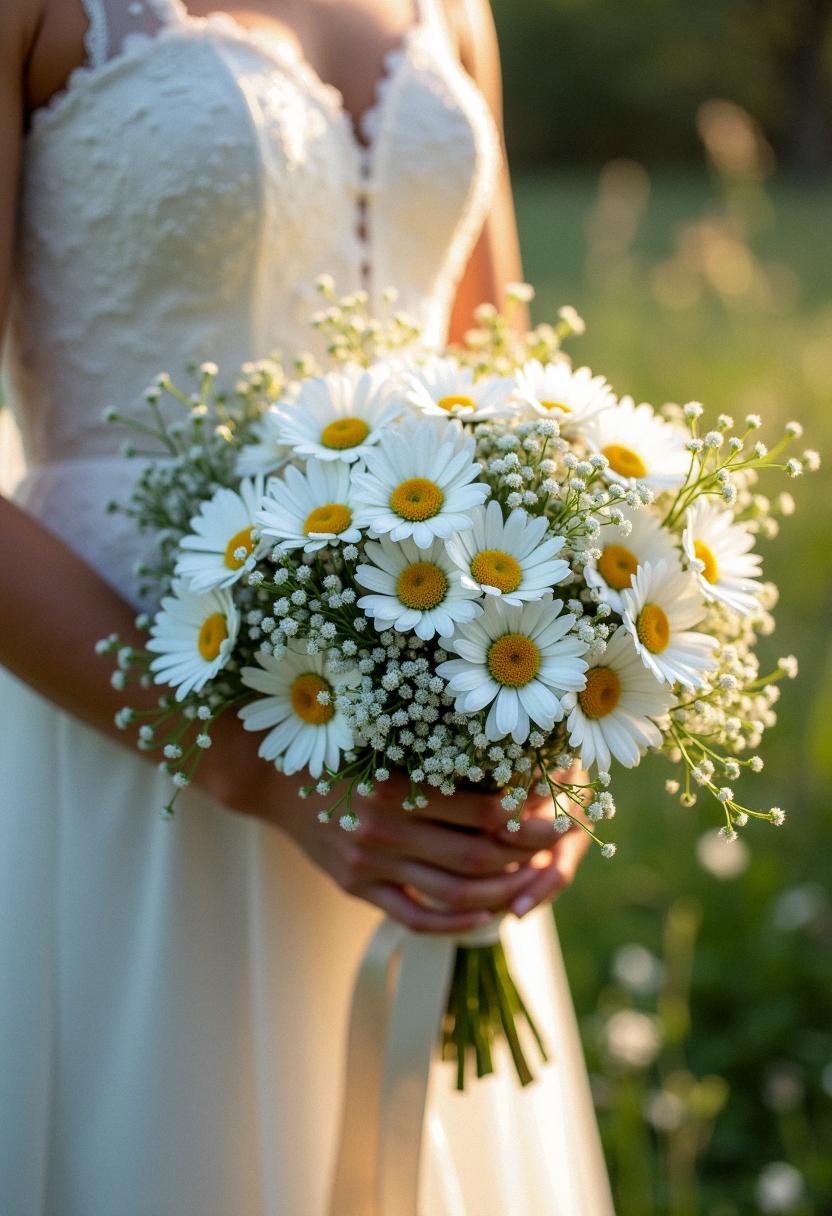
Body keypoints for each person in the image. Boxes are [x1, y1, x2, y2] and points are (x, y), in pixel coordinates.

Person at [0, 0, 614, 1211]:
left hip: (428, 747)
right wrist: (252, 764)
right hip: (127, 712)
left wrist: (552, 717)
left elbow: (503, 386)